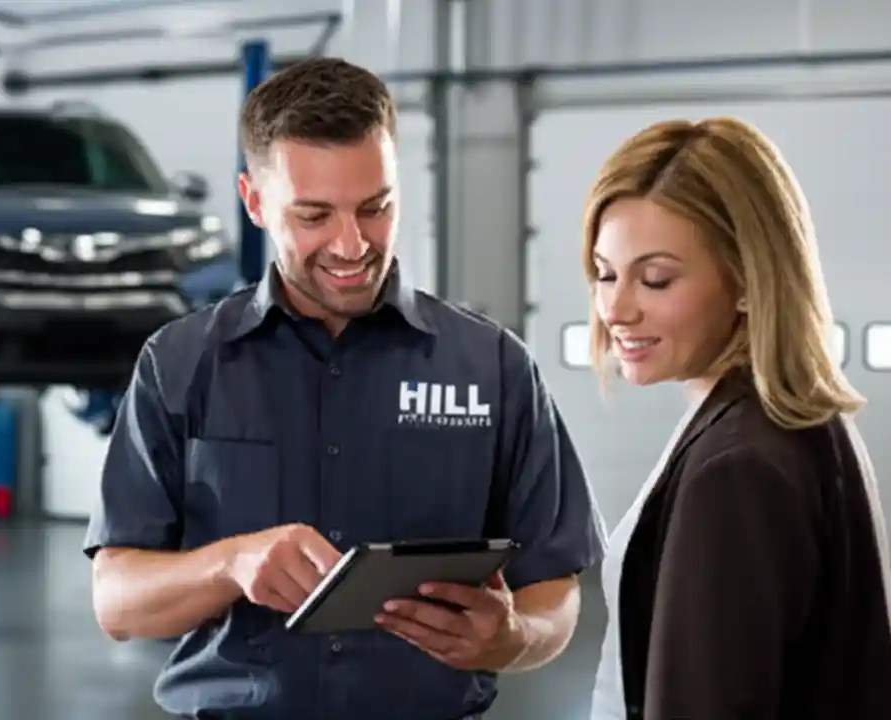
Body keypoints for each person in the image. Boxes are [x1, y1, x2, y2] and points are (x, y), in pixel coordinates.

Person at [82, 57, 606, 719]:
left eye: (375, 207)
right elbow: (117, 601)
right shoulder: (180, 364)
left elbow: (556, 587)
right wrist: (230, 564)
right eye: (314, 216)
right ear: (254, 201)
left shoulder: (493, 367)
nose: (352, 244)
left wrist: (515, 636)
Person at [582, 116, 891, 719]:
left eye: (655, 279)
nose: (615, 309)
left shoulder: (738, 466)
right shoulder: (792, 423)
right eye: (605, 273)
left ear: (746, 282)